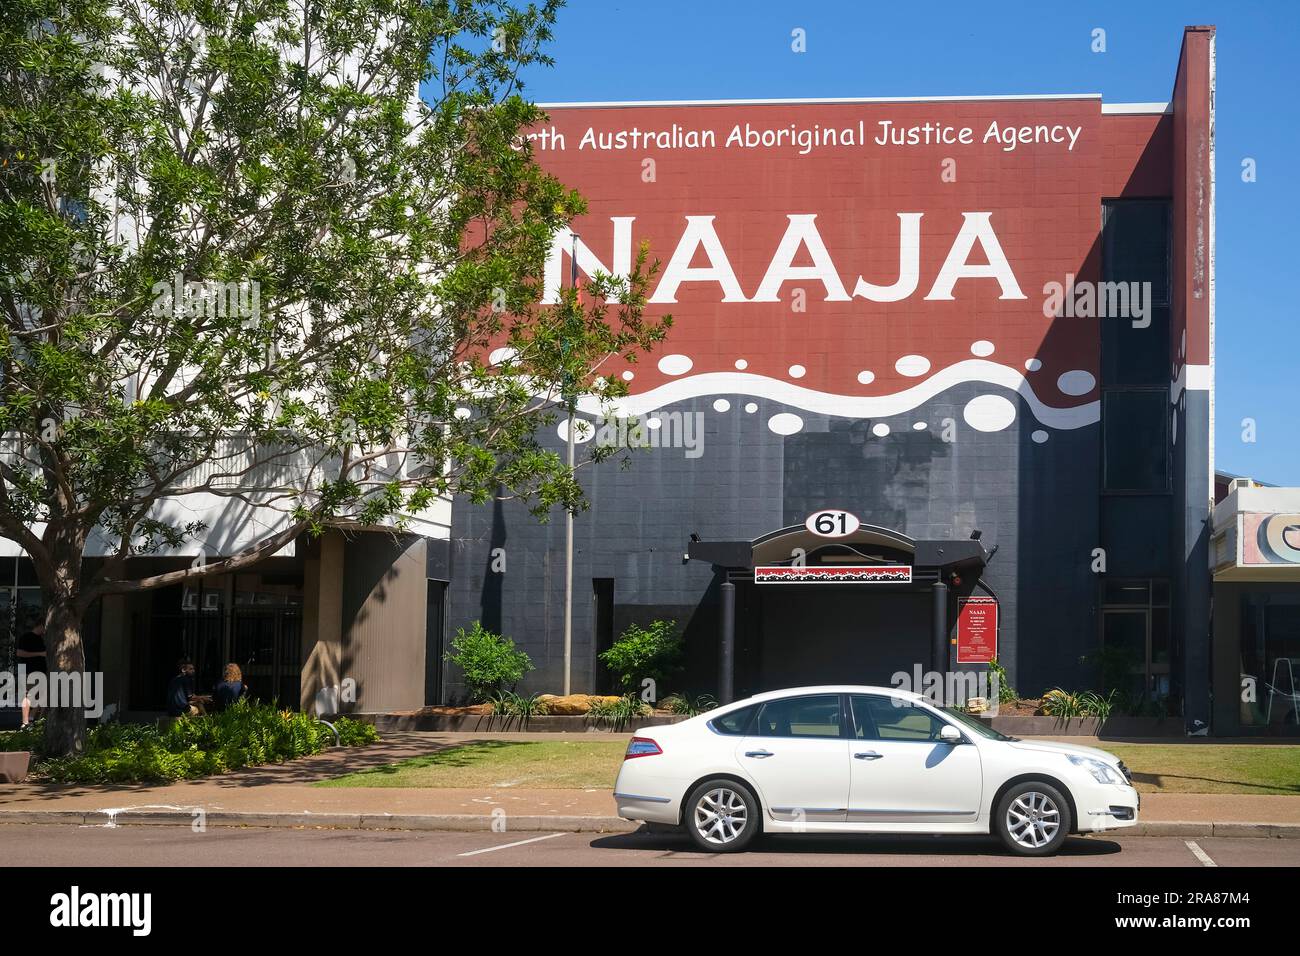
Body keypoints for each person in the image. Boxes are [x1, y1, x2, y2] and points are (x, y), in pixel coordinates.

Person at [16, 618, 46, 730]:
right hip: (29, 671)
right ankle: (25, 721)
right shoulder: (26, 637)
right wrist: (40, 654)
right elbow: (20, 653)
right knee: (28, 695)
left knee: (45, 696)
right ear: (40, 625)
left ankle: (33, 718)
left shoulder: (42, 639)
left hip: (42, 671)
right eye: (45, 627)